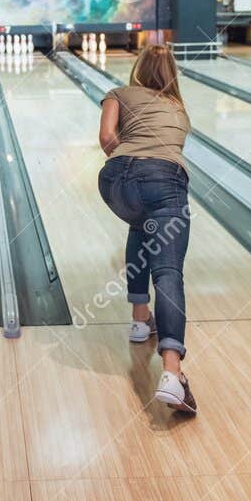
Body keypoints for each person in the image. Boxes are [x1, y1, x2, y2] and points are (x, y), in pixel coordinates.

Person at [97, 43, 195, 414]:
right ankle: (172, 373)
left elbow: (108, 138)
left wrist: (127, 167)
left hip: (115, 183)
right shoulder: (178, 108)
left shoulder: (118, 93)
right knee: (168, 271)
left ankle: (141, 321)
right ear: (172, 73)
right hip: (163, 181)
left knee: (141, 225)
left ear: (137, 67)